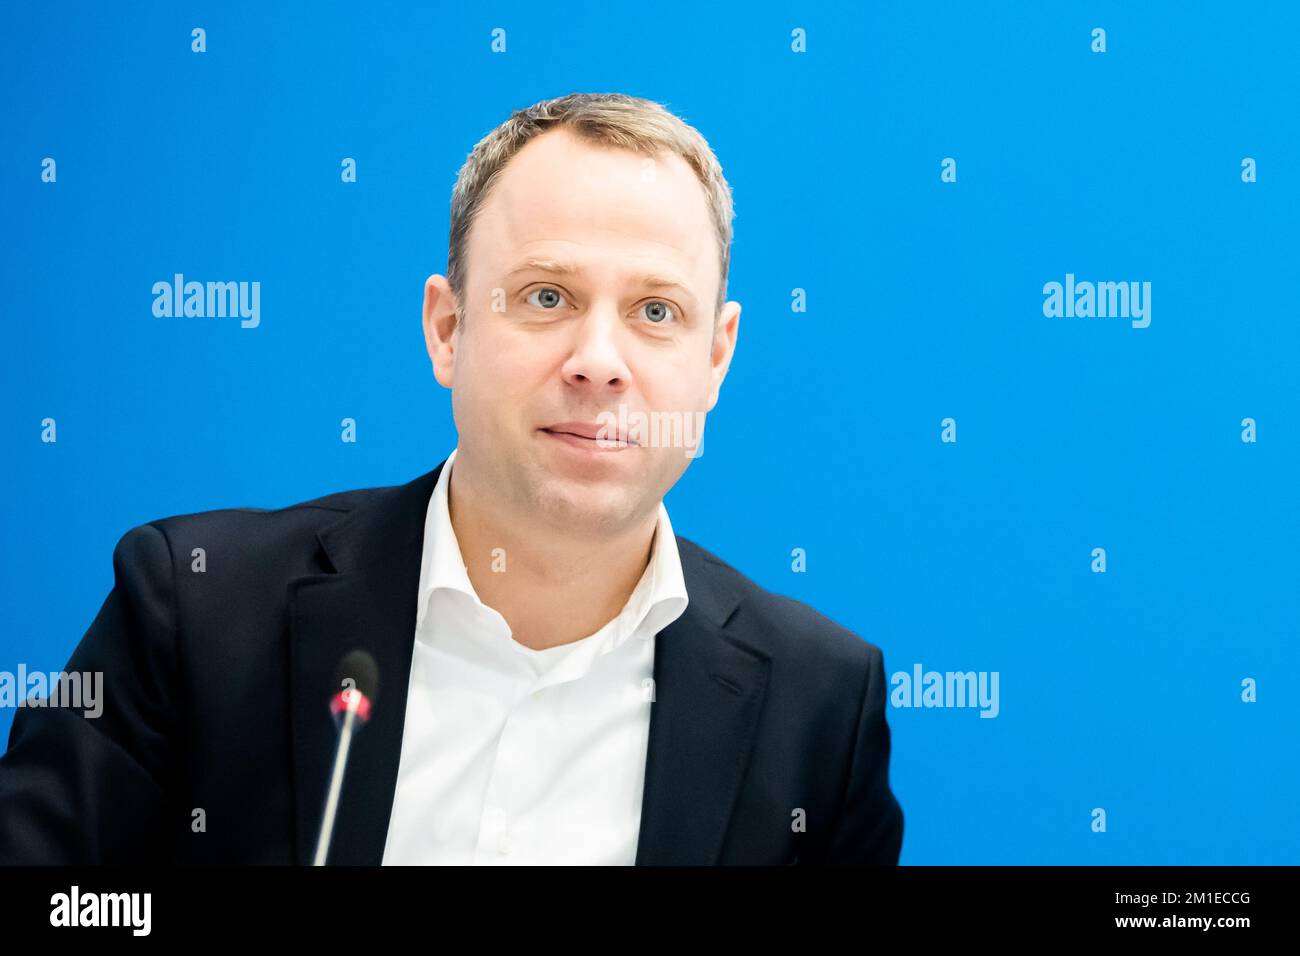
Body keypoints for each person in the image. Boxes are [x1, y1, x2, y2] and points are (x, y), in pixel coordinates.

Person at [0, 92, 903, 865]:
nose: (598, 362)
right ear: (447, 328)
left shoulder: (820, 707)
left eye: (655, 311)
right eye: (547, 297)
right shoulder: (195, 610)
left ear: (716, 358)